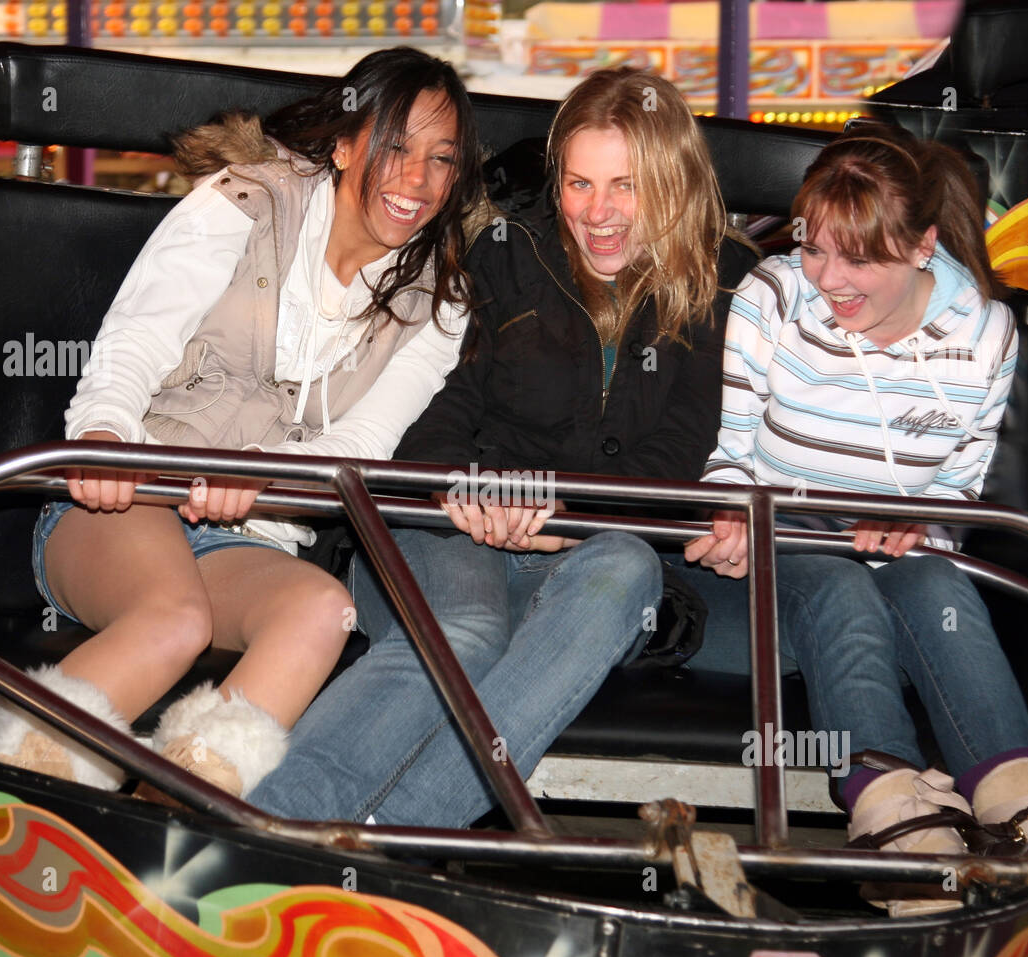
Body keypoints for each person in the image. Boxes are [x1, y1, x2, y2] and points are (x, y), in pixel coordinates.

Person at [247, 67, 758, 829]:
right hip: (457, 531)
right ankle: (270, 825)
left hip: (593, 549)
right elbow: (437, 408)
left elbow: (683, 454)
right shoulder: (502, 252)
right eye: (580, 185)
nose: (600, 213)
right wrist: (469, 492)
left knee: (627, 567)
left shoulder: (728, 284)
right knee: (467, 631)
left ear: (674, 180)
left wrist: (564, 516)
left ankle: (396, 848)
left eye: (627, 186)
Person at [0, 47, 486, 798]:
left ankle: (178, 831)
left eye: (440, 159)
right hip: (132, 491)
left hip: (249, 536)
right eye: (395, 146)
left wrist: (260, 477)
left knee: (325, 610)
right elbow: (134, 343)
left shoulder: (440, 304)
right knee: (173, 619)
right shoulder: (244, 200)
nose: (416, 179)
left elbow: (362, 448)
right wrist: (103, 441)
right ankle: (12, 806)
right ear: (345, 143)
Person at [679, 124, 1028, 913]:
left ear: (922, 246)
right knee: (839, 584)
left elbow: (959, 491)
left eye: (858, 259)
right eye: (816, 249)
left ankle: (1024, 803)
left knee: (934, 571)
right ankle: (900, 821)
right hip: (779, 553)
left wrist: (917, 526)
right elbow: (730, 452)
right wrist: (733, 509)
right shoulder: (770, 297)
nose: (829, 278)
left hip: (899, 572)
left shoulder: (983, 334)